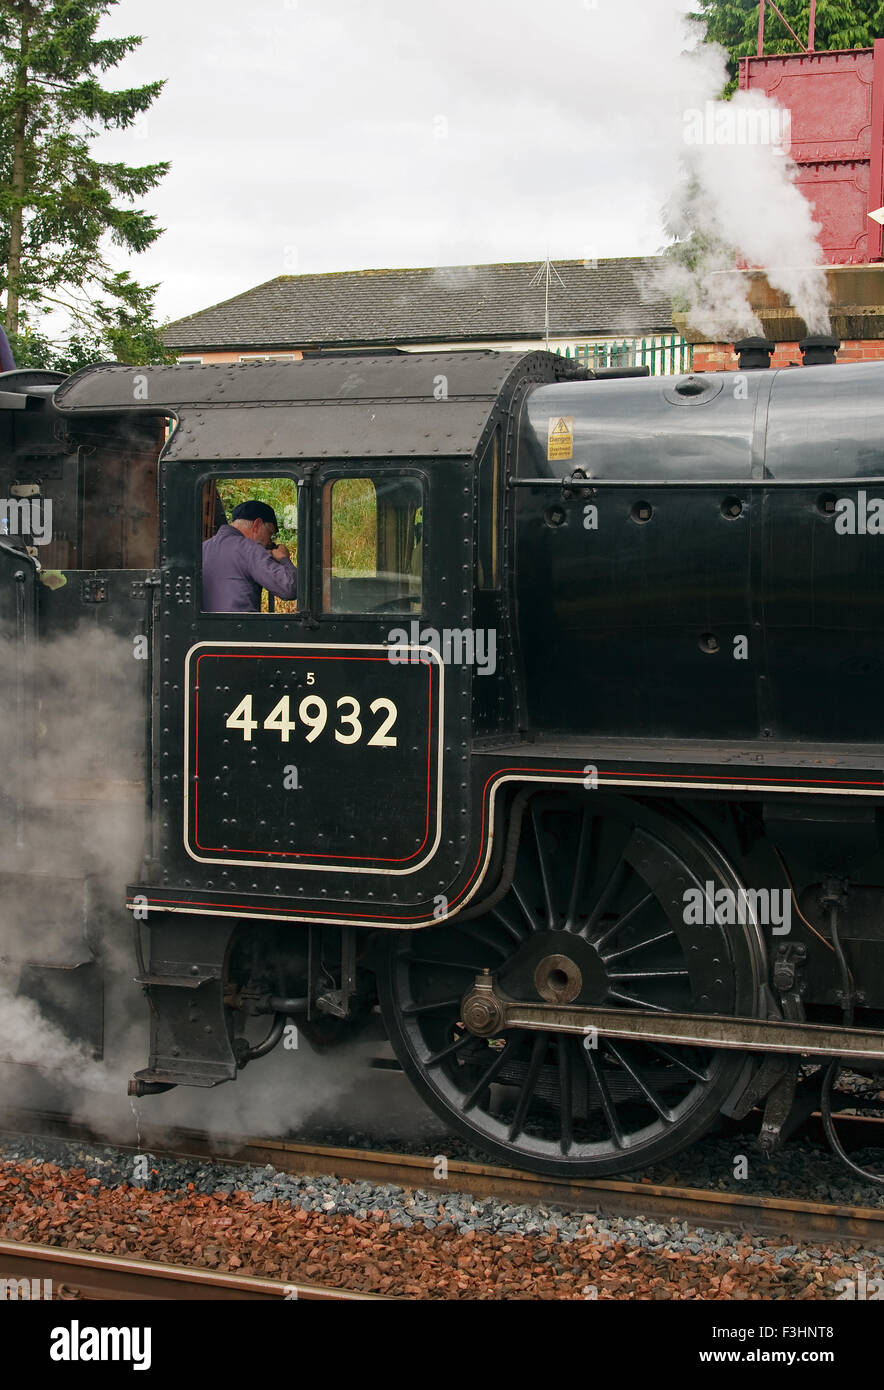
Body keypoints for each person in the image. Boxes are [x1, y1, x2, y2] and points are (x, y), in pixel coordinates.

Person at [202, 500, 298, 613]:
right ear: (257, 525)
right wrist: (283, 559)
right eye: (270, 533)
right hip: (241, 628)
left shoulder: (203, 548)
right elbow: (290, 588)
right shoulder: (250, 549)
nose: (269, 542)